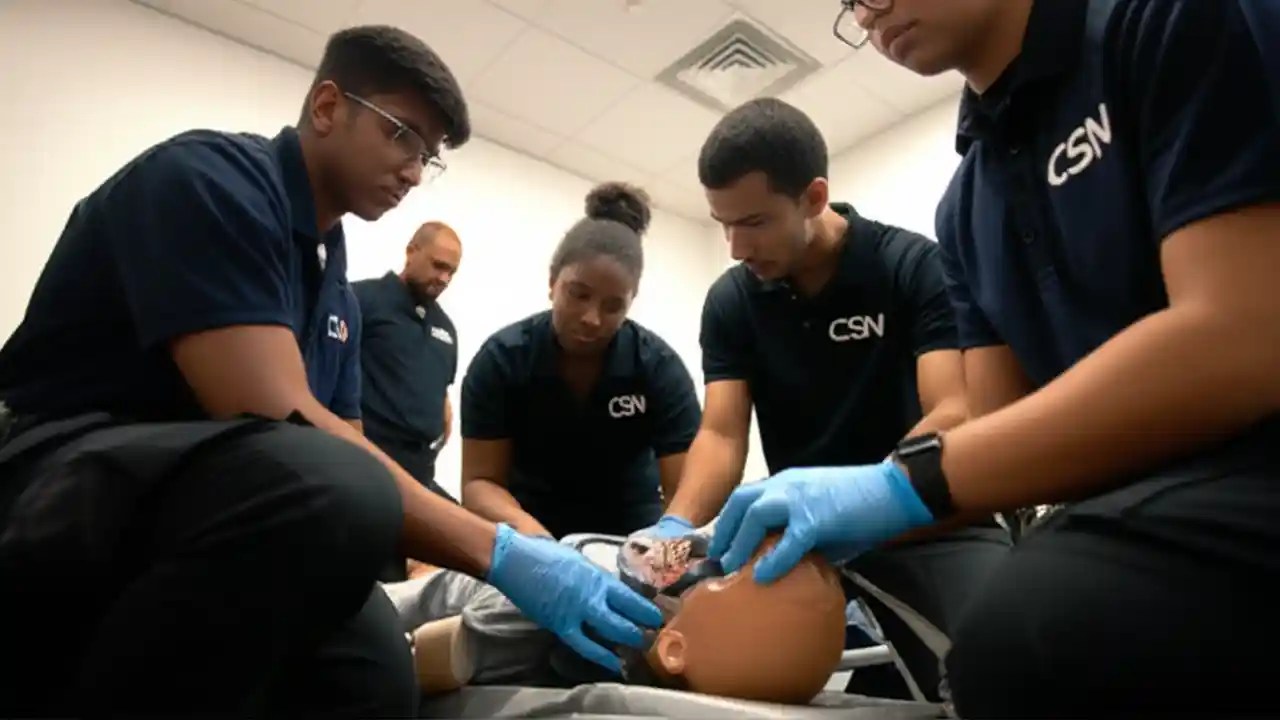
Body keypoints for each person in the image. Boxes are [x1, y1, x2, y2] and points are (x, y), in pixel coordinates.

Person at [0, 25, 660, 718]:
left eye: (427, 155)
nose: (413, 168)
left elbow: (349, 443)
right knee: (335, 486)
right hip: (59, 477)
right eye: (402, 133)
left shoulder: (333, 289)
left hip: (209, 502)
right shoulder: (208, 181)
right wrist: (497, 551)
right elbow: (273, 417)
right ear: (325, 108)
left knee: (374, 661)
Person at [710, 0, 1280, 716]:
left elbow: (1244, 335)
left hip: (1255, 460)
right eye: (851, 1)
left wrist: (892, 487)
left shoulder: (1170, 21)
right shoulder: (967, 208)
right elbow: (995, 436)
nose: (867, 12)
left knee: (1026, 635)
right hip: (1124, 504)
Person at [626, 96, 1009, 702]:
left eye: (752, 223)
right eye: (723, 224)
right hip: (797, 535)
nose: (734, 247)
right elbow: (723, 435)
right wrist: (676, 526)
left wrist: (865, 496)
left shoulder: (909, 267)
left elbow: (956, 412)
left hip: (925, 522)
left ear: (813, 196)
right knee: (654, 640)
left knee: (1007, 655)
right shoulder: (732, 301)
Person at [460, 182, 702, 540]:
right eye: (579, 294)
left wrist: (661, 553)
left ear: (631, 302)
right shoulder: (502, 360)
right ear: (552, 282)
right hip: (529, 534)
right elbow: (480, 482)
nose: (592, 317)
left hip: (632, 539)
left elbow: (687, 497)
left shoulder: (658, 368)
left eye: (613, 305)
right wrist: (537, 542)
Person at [354, 221, 461, 502]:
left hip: (420, 470)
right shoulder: (360, 300)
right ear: (411, 252)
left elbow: (442, 397)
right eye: (438, 265)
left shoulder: (446, 329)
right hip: (365, 461)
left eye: (452, 271)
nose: (445, 278)